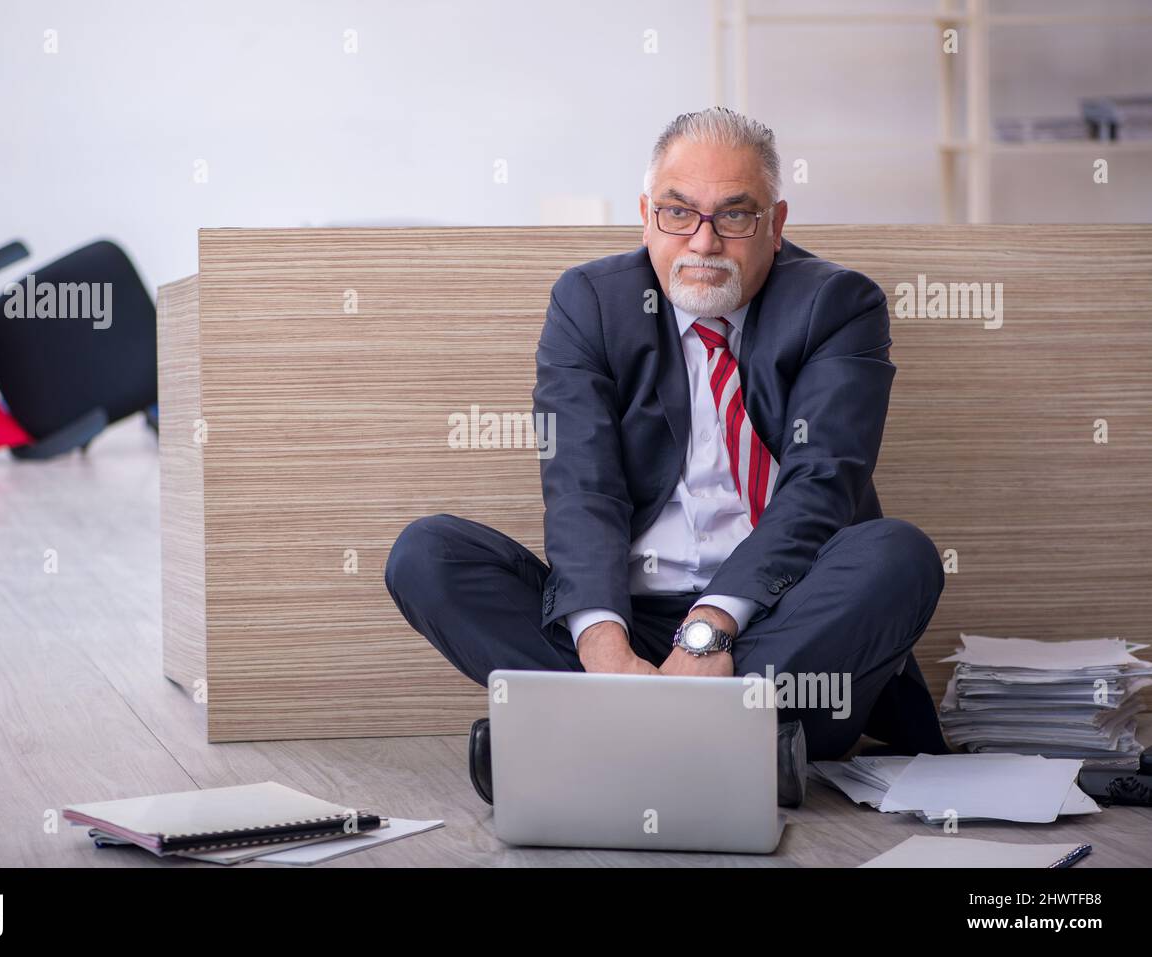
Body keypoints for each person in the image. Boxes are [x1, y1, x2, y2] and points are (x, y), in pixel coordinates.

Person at [384, 106, 949, 761]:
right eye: (678, 213)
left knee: (899, 556)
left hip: (773, 625)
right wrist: (604, 647)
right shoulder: (591, 302)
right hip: (630, 621)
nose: (703, 243)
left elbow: (823, 484)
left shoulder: (839, 305)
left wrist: (709, 631)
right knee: (427, 554)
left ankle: (603, 744)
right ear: (646, 215)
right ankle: (728, 747)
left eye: (735, 215)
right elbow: (581, 486)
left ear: (777, 223)